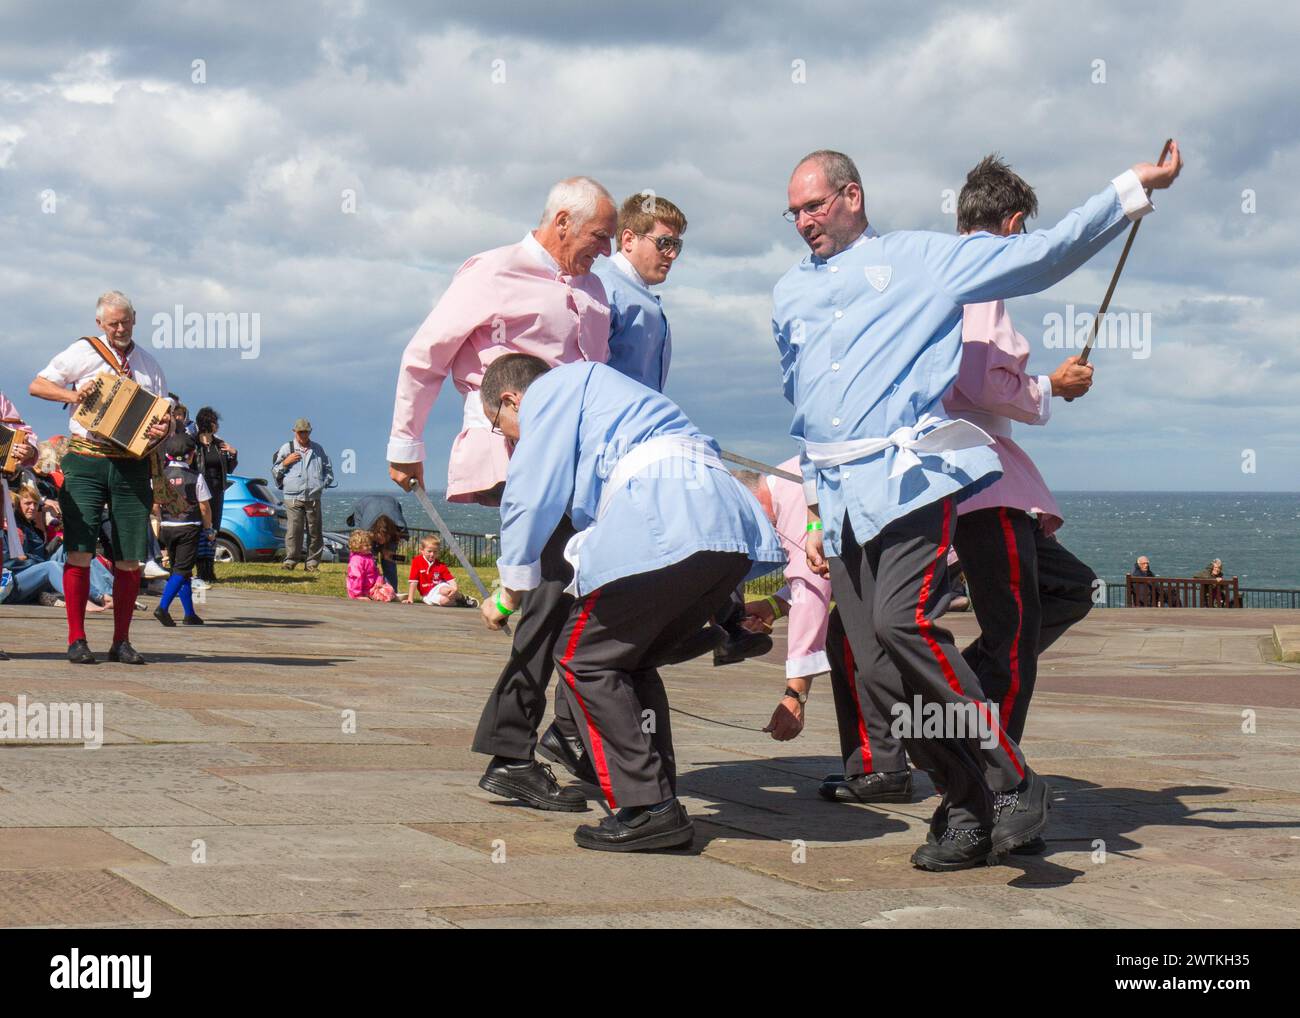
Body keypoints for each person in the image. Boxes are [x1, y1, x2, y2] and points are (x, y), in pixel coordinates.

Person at [775, 143, 1182, 870]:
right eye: (795, 210)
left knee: (906, 624)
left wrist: (1129, 190)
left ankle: (1010, 776)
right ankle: (966, 809)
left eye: (816, 205)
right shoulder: (788, 294)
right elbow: (806, 409)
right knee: (884, 673)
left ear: (853, 196)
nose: (804, 220)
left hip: (908, 481)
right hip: (836, 500)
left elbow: (1045, 256)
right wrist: (809, 512)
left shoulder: (923, 258)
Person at [479, 354, 784, 850]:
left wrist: (509, 593)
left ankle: (647, 807)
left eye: (501, 426)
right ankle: (657, 797)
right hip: (726, 527)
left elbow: (529, 494)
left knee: (582, 659)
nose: (511, 438)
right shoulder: (610, 396)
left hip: (667, 521)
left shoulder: (551, 392)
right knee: (631, 661)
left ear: (511, 399)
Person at [388, 176, 616, 809]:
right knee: (552, 590)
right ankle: (515, 749)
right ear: (563, 222)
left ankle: (557, 737)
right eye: (600, 235)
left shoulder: (595, 288)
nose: (607, 247)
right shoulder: (491, 271)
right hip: (512, 450)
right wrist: (406, 443)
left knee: (570, 590)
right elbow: (423, 356)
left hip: (578, 460)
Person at [28, 290, 172, 664]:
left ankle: (120, 641)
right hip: (87, 458)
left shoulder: (149, 364)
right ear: (99, 324)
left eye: (125, 321)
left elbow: (164, 413)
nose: (120, 328)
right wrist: (74, 396)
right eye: (113, 323)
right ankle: (77, 639)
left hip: (130, 462)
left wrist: (164, 427)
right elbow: (38, 385)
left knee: (130, 557)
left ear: (135, 318)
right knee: (79, 548)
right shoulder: (82, 352)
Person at [593, 192, 686, 393]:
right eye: (664, 242)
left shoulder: (627, 291)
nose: (671, 255)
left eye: (677, 245)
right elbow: (585, 373)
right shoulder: (603, 289)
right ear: (628, 240)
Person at [152, 433, 213, 627]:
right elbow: (204, 507)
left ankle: (190, 614)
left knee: (182, 570)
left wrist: (160, 521)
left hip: (168, 528)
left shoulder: (160, 477)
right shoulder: (195, 477)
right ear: (191, 455)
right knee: (181, 569)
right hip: (189, 527)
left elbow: (155, 505)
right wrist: (209, 528)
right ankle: (162, 607)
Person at [273, 418, 334, 571]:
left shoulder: (318, 449)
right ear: (294, 431)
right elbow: (274, 471)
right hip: (292, 496)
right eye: (300, 432)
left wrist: (322, 484)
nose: (303, 435)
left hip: (313, 497)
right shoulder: (287, 448)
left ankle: (312, 563)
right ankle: (291, 561)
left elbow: (328, 471)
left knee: (315, 531)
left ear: (310, 431)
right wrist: (285, 462)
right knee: (294, 530)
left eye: (305, 432)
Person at [193, 407, 237, 583]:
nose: (217, 425)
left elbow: (229, 468)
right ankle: (198, 569)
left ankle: (209, 570)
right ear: (207, 423)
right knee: (199, 529)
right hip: (199, 492)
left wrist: (233, 455)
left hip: (217, 491)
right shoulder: (193, 443)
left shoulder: (219, 444)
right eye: (214, 422)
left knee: (213, 530)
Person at [409, 534, 477, 607]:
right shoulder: (416, 561)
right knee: (444, 602)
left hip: (439, 586)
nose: (432, 554)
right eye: (429, 551)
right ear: (422, 550)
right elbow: (413, 582)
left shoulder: (440, 565)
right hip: (428, 594)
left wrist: (455, 588)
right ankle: (459, 604)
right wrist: (410, 598)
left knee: (445, 590)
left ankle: (463, 598)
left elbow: (450, 579)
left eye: (435, 552)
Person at [346, 529, 394, 601]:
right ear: (357, 546)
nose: (370, 547)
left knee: (389, 590)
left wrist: (379, 580)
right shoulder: (356, 560)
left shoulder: (368, 557)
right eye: (366, 545)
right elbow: (356, 578)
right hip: (361, 590)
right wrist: (357, 595)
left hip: (371, 587)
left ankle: (392, 596)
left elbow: (375, 571)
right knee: (386, 595)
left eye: (370, 544)